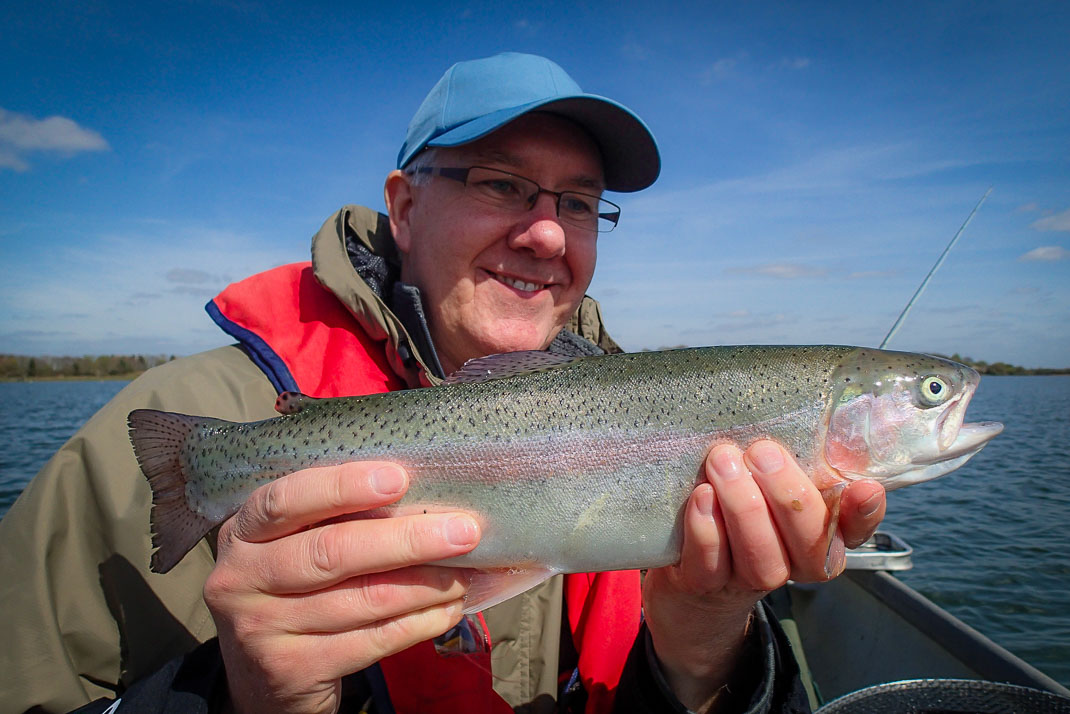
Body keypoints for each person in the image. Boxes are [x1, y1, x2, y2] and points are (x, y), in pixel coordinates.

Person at [0, 53, 886, 714]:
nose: (547, 235)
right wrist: (241, 701)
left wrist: (704, 655)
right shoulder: (164, 445)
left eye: (578, 203)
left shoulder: (663, 419)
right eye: (504, 185)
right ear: (406, 204)